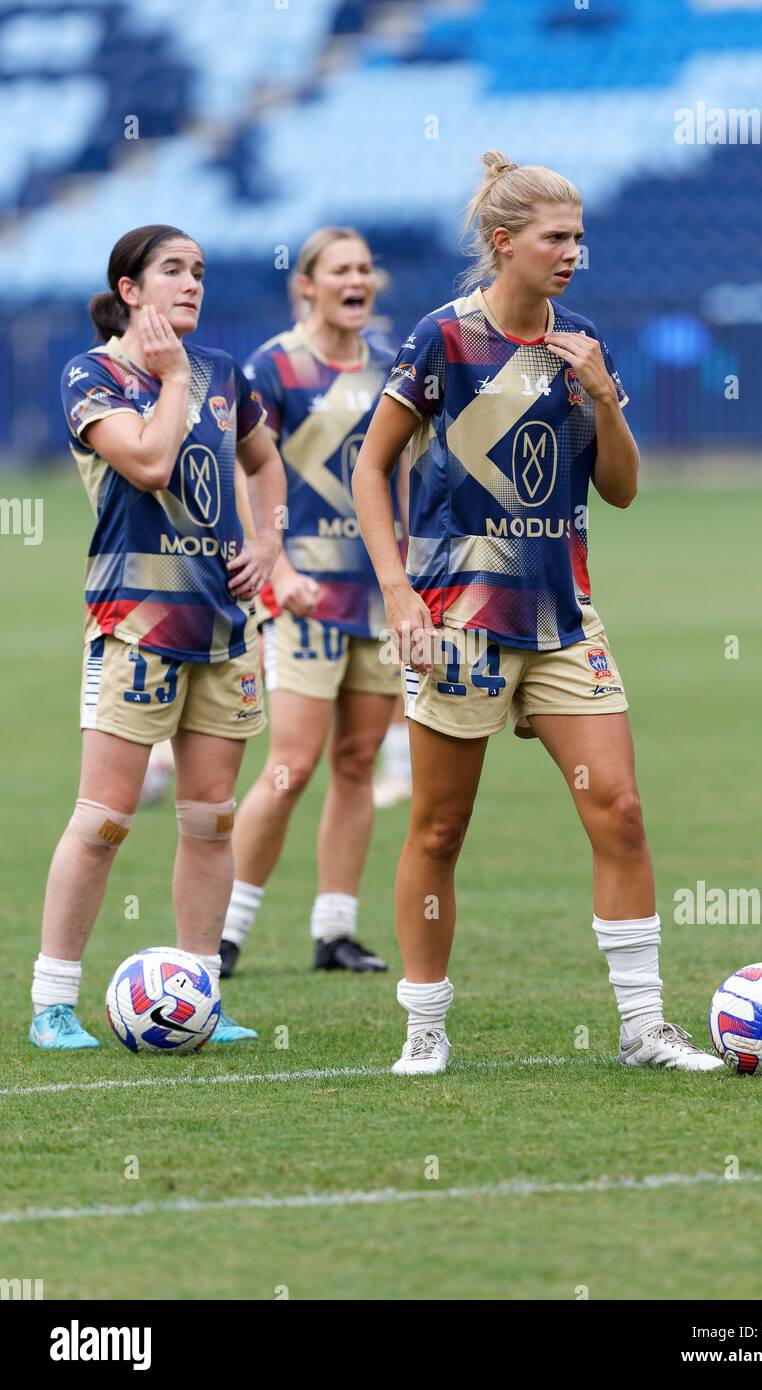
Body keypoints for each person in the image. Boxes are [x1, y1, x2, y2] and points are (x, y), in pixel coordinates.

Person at [352, 152, 723, 1074]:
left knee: (622, 813)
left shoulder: (582, 343)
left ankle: (643, 1028)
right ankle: (425, 1028)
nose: (573, 254)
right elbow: (369, 466)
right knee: (439, 830)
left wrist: (601, 391)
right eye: (556, 239)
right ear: (502, 242)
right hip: (459, 622)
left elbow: (623, 491)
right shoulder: (440, 340)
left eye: (580, 239)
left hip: (564, 617)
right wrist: (399, 592)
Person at [31, 224, 285, 1050]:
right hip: (134, 623)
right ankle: (53, 1003)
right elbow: (144, 460)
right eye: (172, 271)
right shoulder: (92, 373)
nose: (192, 284)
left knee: (211, 819)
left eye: (200, 272)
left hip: (222, 625)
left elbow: (264, 460)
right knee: (104, 819)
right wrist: (172, 375)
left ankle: (199, 988)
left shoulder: (224, 373)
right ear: (129, 288)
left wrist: (269, 542)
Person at [220, 226, 404, 978]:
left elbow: (402, 477)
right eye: (340, 270)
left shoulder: (394, 365)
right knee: (290, 767)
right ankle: (224, 930)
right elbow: (249, 470)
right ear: (307, 285)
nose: (357, 280)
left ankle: (335, 931)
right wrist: (277, 568)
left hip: (379, 594)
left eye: (366, 268)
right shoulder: (274, 366)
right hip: (302, 596)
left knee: (358, 760)